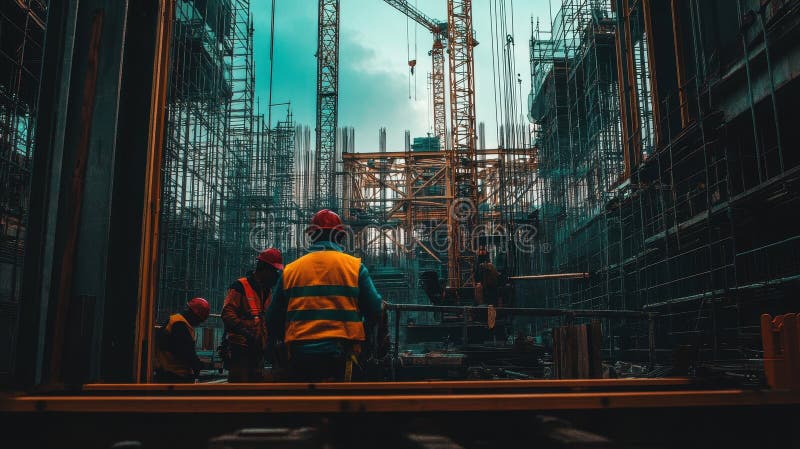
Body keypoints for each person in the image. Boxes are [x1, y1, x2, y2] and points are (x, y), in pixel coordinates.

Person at [267, 209, 383, 382]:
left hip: (300, 359)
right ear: (340, 237)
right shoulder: (354, 267)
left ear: (312, 236)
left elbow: (272, 319)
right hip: (342, 358)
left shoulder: (290, 271)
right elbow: (375, 309)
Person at [221, 247, 283, 382]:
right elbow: (227, 314)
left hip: (257, 350)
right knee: (240, 392)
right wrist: (246, 333)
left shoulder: (267, 292)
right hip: (240, 349)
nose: (276, 276)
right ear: (264, 269)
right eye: (274, 271)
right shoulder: (240, 286)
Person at [154, 297, 210, 383]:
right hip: (174, 375)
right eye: (199, 320)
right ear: (194, 315)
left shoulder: (176, 321)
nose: (198, 323)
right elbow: (186, 353)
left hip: (168, 372)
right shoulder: (180, 325)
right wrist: (198, 365)